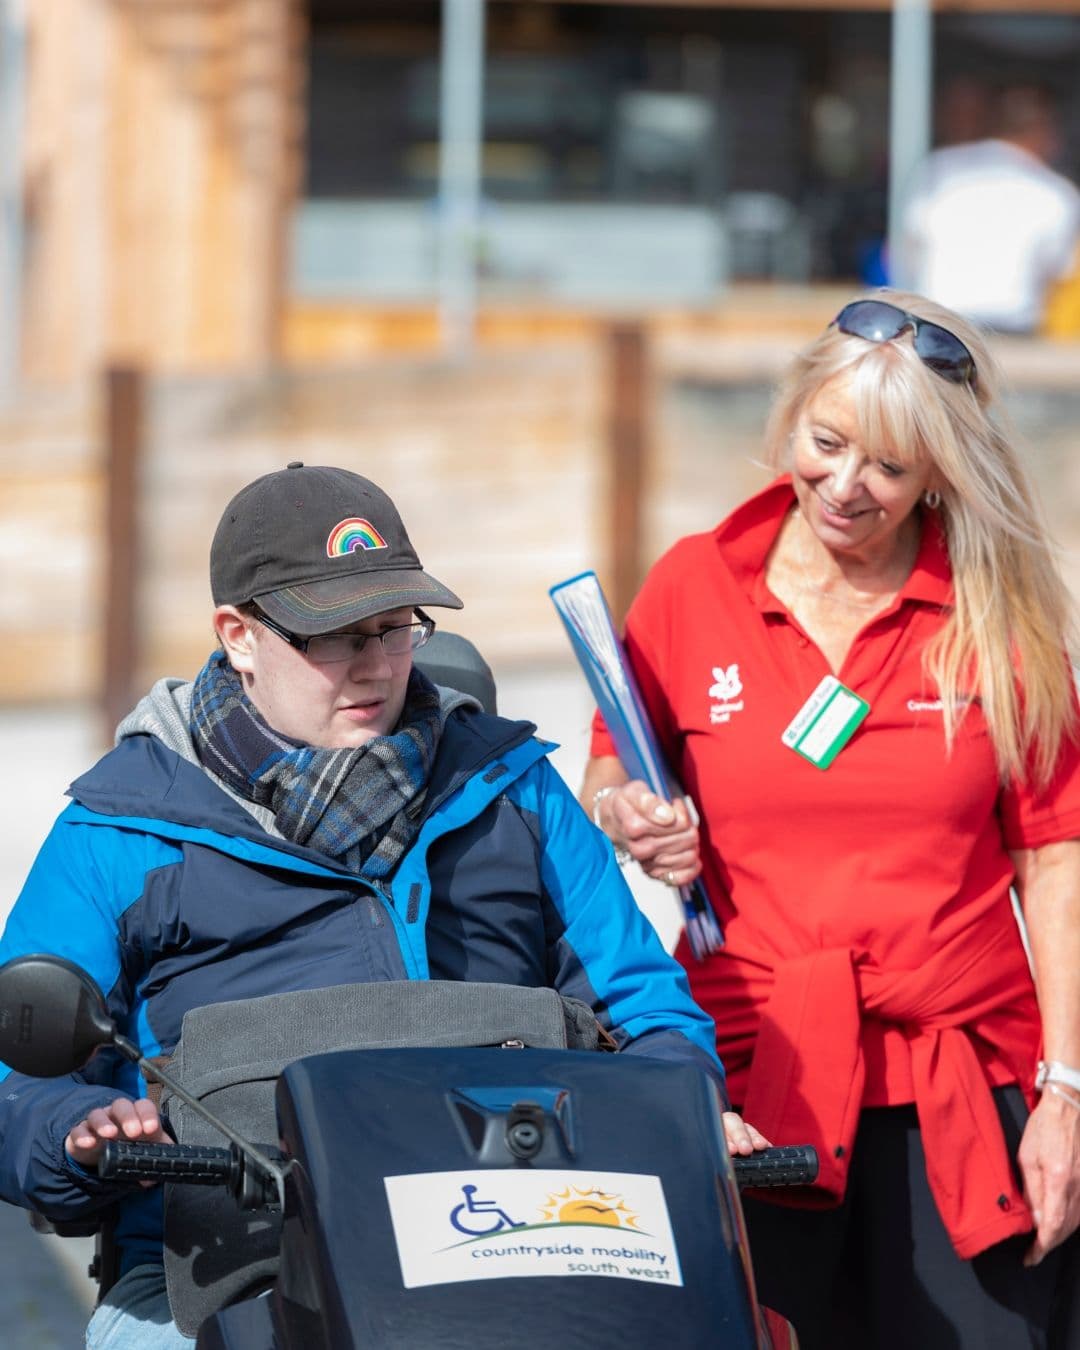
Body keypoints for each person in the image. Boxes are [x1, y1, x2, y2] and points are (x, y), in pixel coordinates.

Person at [0, 462, 763, 1348]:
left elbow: (648, 1009)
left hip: (526, 1236)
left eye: (394, 628)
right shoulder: (124, 827)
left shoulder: (512, 787)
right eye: (336, 637)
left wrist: (687, 1099)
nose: (376, 666)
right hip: (228, 1260)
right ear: (238, 636)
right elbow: (21, 1080)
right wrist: (77, 1134)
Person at [581, 292, 1080, 1349]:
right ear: (792, 415)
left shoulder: (1000, 616)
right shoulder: (691, 586)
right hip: (751, 1080)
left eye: (890, 468)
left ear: (941, 472)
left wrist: (1068, 1093)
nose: (847, 486)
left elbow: (1057, 861)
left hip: (968, 1081)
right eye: (827, 443)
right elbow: (611, 770)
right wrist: (633, 815)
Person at [899, 84, 1080, 335]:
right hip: (1013, 333)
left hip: (935, 327)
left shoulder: (938, 169)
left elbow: (907, 248)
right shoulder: (1057, 191)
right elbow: (1060, 271)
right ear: (1043, 133)